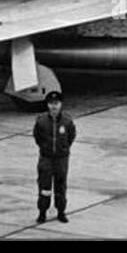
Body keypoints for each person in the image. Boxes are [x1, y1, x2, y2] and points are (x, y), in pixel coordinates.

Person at [34, 90, 76, 224]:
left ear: (60, 104)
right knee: (44, 187)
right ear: (47, 105)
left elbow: (71, 136)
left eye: (56, 103)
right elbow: (38, 137)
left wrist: (62, 149)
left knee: (61, 186)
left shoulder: (67, 121)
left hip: (61, 159)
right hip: (46, 158)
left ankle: (61, 212)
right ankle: (42, 213)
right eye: (51, 104)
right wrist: (45, 149)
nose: (54, 106)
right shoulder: (41, 121)